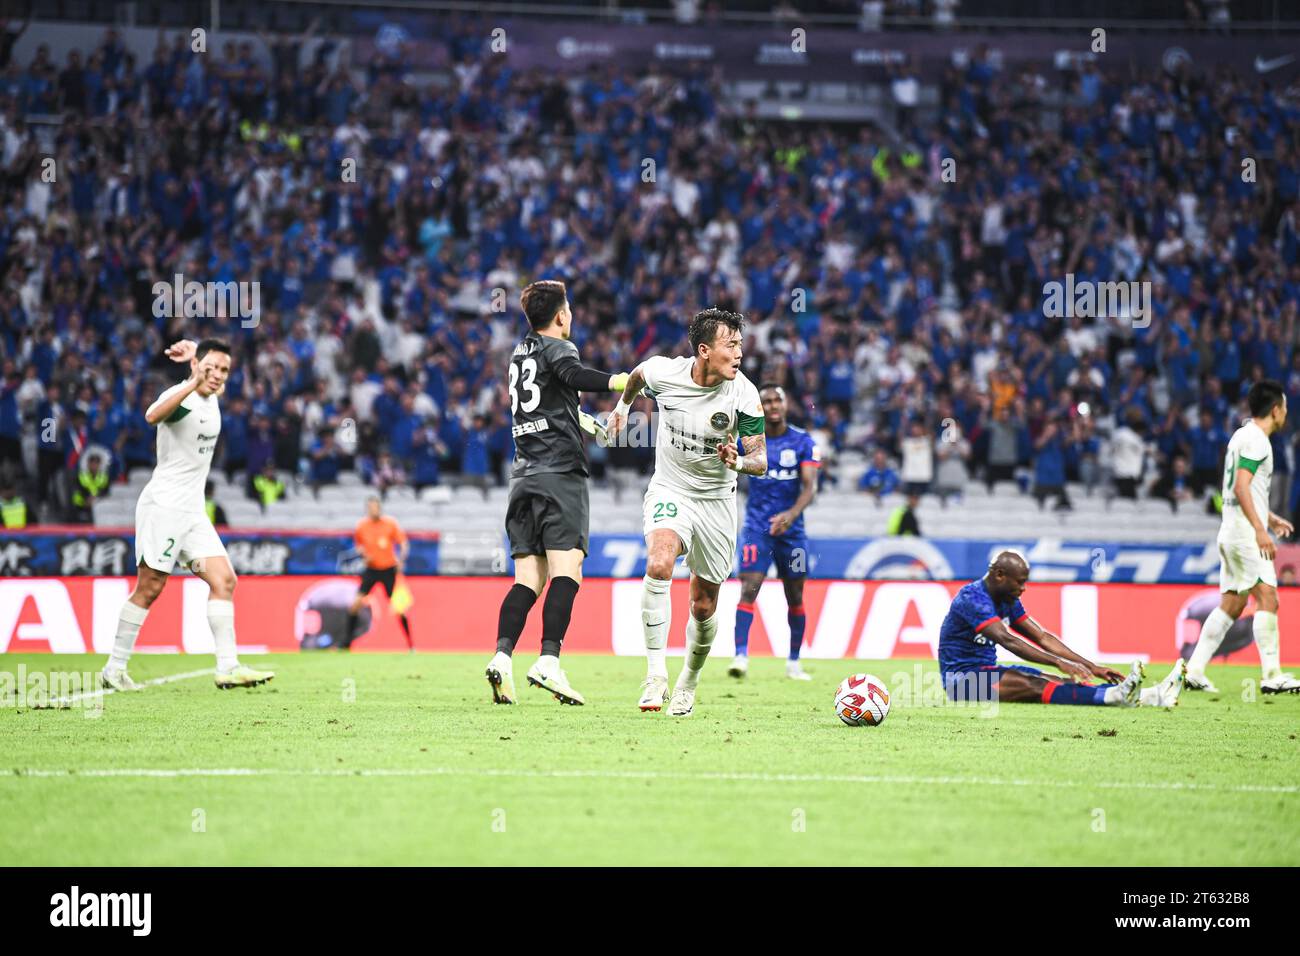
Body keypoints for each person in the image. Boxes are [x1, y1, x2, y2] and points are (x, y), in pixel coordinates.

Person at [608, 307, 767, 717]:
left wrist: (737, 462)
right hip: (671, 489)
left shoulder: (744, 394)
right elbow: (638, 374)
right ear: (703, 350)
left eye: (740, 345)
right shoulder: (667, 374)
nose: (738, 354)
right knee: (660, 562)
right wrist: (624, 408)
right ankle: (655, 674)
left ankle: (688, 682)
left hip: (717, 501)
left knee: (703, 605)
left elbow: (761, 460)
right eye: (730, 345)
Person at [99, 339, 274, 692]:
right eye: (213, 368)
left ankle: (228, 667)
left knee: (224, 580)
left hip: (193, 512)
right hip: (164, 506)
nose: (219, 375)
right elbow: (151, 416)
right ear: (198, 369)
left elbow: (212, 376)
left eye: (224, 370)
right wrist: (193, 378)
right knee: (149, 588)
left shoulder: (212, 396)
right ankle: (114, 668)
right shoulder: (185, 396)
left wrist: (199, 358)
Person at [485, 279, 628, 706]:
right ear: (561, 315)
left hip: (523, 476)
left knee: (528, 578)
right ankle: (548, 661)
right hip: (560, 474)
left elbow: (554, 403)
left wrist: (593, 425)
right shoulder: (559, 348)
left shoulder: (520, 354)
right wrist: (624, 381)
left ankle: (501, 657)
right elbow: (574, 376)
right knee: (568, 571)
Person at [939, 551, 1182, 707]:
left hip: (988, 670)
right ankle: (1114, 697)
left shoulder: (1007, 599)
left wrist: (1091, 666)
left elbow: (1042, 637)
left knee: (1059, 682)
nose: (1023, 588)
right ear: (1000, 575)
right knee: (1034, 686)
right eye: (1020, 582)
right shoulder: (972, 598)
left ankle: (1154, 696)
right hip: (963, 682)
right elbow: (1008, 640)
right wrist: (1057, 660)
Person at [1185, 380, 1299, 693]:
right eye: (1285, 407)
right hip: (1246, 535)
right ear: (1275, 410)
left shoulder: (1241, 435)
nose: (1286, 412)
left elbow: (1241, 489)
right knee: (1268, 598)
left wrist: (1270, 518)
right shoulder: (1258, 440)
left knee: (1233, 604)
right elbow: (1240, 486)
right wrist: (1261, 530)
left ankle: (1194, 670)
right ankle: (1272, 676)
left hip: (1232, 530)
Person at [729, 384, 820, 681]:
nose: (771, 406)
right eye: (765, 401)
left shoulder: (803, 441)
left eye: (776, 400)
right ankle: (740, 655)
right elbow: (728, 462)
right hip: (758, 528)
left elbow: (810, 487)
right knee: (749, 587)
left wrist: (791, 515)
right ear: (761, 407)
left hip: (793, 532)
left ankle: (794, 661)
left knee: (795, 595)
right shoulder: (752, 442)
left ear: (786, 403)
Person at [345, 495, 412, 651]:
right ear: (367, 509)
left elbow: (403, 543)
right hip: (371, 570)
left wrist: (401, 559)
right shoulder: (361, 526)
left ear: (379, 508)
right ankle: (347, 643)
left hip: (388, 570)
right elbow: (359, 546)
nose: (373, 510)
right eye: (370, 507)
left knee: (399, 608)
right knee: (355, 604)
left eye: (375, 507)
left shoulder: (390, 524)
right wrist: (363, 554)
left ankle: (410, 644)